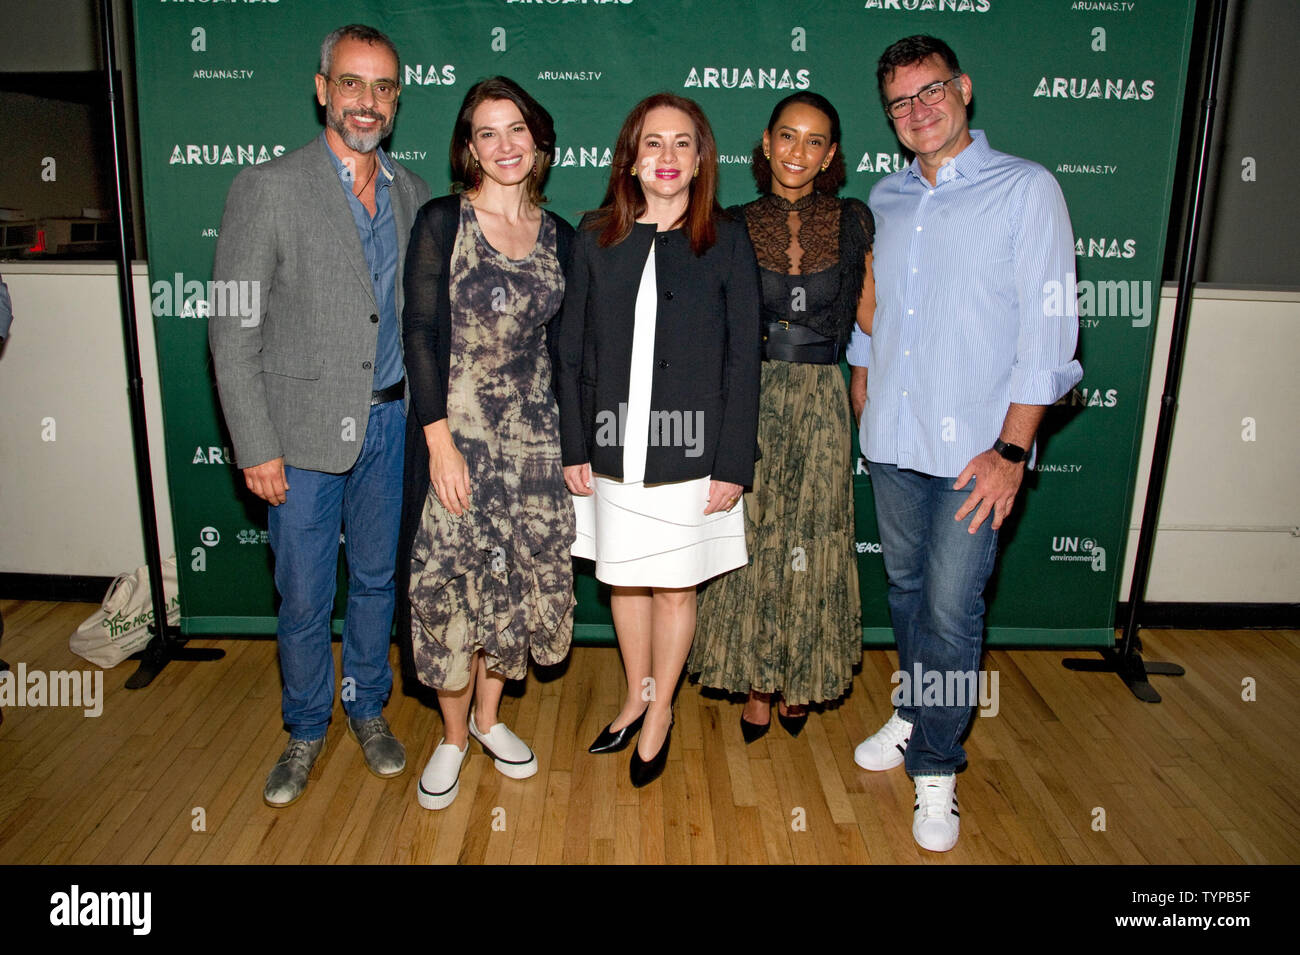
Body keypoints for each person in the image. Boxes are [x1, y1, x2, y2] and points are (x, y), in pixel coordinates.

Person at [847, 35, 1082, 852]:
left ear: (965, 89)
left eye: (931, 91)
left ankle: (939, 768)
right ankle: (914, 712)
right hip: (894, 442)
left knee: (952, 609)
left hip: (979, 453)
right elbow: (875, 312)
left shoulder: (1027, 189)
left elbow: (1049, 337)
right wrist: (862, 386)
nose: (918, 110)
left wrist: (1012, 452)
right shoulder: (886, 195)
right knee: (908, 593)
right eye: (901, 103)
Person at [208, 24, 431, 808]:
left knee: (376, 580)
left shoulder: (410, 191)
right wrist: (254, 444)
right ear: (321, 88)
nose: (366, 102)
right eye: (351, 84)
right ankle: (305, 726)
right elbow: (232, 328)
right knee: (303, 594)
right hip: (298, 438)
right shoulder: (267, 187)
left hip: (390, 427)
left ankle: (367, 707)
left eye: (383, 88)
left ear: (396, 100)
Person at [557, 93, 761, 788]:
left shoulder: (728, 239)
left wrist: (732, 460)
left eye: (682, 143)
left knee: (674, 585)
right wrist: (574, 445)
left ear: (701, 158)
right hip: (613, 446)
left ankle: (661, 710)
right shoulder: (594, 234)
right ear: (631, 157)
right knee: (624, 578)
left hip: (692, 453)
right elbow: (571, 351)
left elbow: (743, 359)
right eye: (653, 143)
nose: (667, 157)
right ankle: (631, 696)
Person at [400, 77, 575, 811]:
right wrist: (438, 441)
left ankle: (491, 717)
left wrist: (572, 450)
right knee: (452, 585)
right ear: (469, 146)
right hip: (459, 434)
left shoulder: (560, 233)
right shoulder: (444, 220)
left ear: (538, 139)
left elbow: (563, 352)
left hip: (533, 440)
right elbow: (417, 332)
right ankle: (451, 736)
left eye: (517, 130)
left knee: (514, 581)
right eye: (487, 133)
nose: (504, 145)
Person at [689, 92, 874, 740]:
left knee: (812, 541)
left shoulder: (855, 221)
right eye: (788, 137)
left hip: (822, 398)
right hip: (750, 396)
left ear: (830, 154)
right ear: (766, 144)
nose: (799, 152)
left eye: (815, 141)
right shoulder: (728, 223)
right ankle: (758, 681)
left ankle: (803, 675)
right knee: (754, 540)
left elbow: (872, 319)